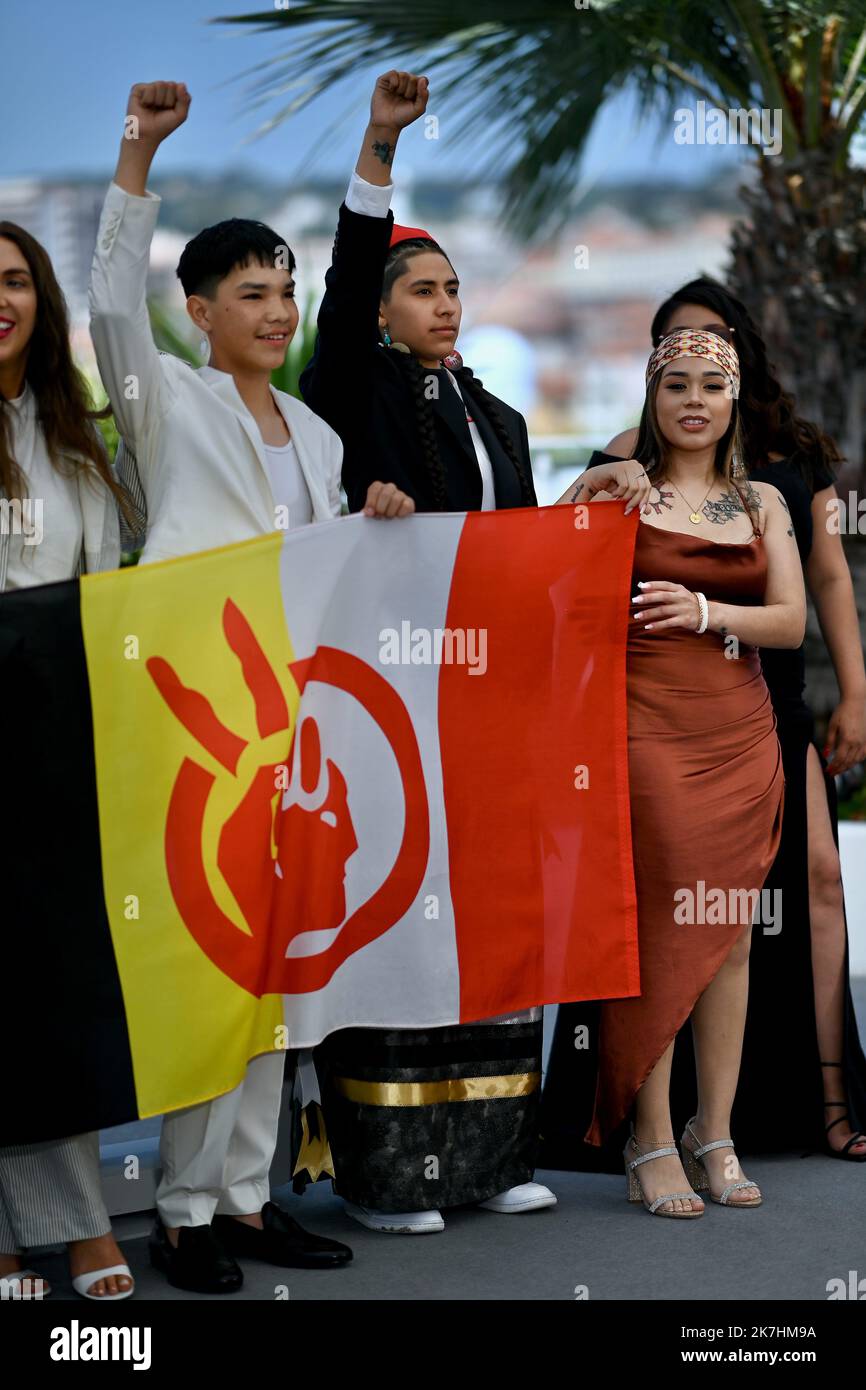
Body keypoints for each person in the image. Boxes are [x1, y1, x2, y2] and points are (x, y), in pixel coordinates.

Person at [89, 79, 414, 1294]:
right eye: (251, 293)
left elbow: (335, 572)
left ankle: (244, 1196)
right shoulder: (163, 401)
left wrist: (378, 512)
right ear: (199, 311)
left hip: (299, 733)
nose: (277, 311)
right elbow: (110, 303)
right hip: (197, 732)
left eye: (284, 291)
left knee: (283, 970)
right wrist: (136, 156)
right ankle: (179, 1213)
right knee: (205, 969)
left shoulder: (320, 439)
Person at [300, 69, 556, 1233]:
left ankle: (491, 1162)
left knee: (491, 921)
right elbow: (348, 275)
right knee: (400, 921)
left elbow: (527, 559)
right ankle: (394, 1176)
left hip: (493, 711)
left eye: (453, 287)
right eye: (420, 289)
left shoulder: (498, 420)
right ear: (381, 309)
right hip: (394, 707)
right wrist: (377, 150)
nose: (444, 304)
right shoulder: (352, 394)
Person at [541, 281, 866, 1172]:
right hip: (646, 727)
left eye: (710, 381)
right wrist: (584, 486)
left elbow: (798, 614)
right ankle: (649, 1135)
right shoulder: (620, 487)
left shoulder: (767, 495)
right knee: (654, 927)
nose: (693, 399)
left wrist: (707, 611)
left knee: (728, 933)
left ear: (735, 390)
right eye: (674, 381)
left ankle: (714, 1130)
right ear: (652, 395)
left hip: (747, 728)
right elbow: (548, 581)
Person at [0, 221, 134, 1299]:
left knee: (51, 986)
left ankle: (78, 1222)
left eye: (11, 280)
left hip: (52, 739)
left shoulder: (74, 432)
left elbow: (110, 588)